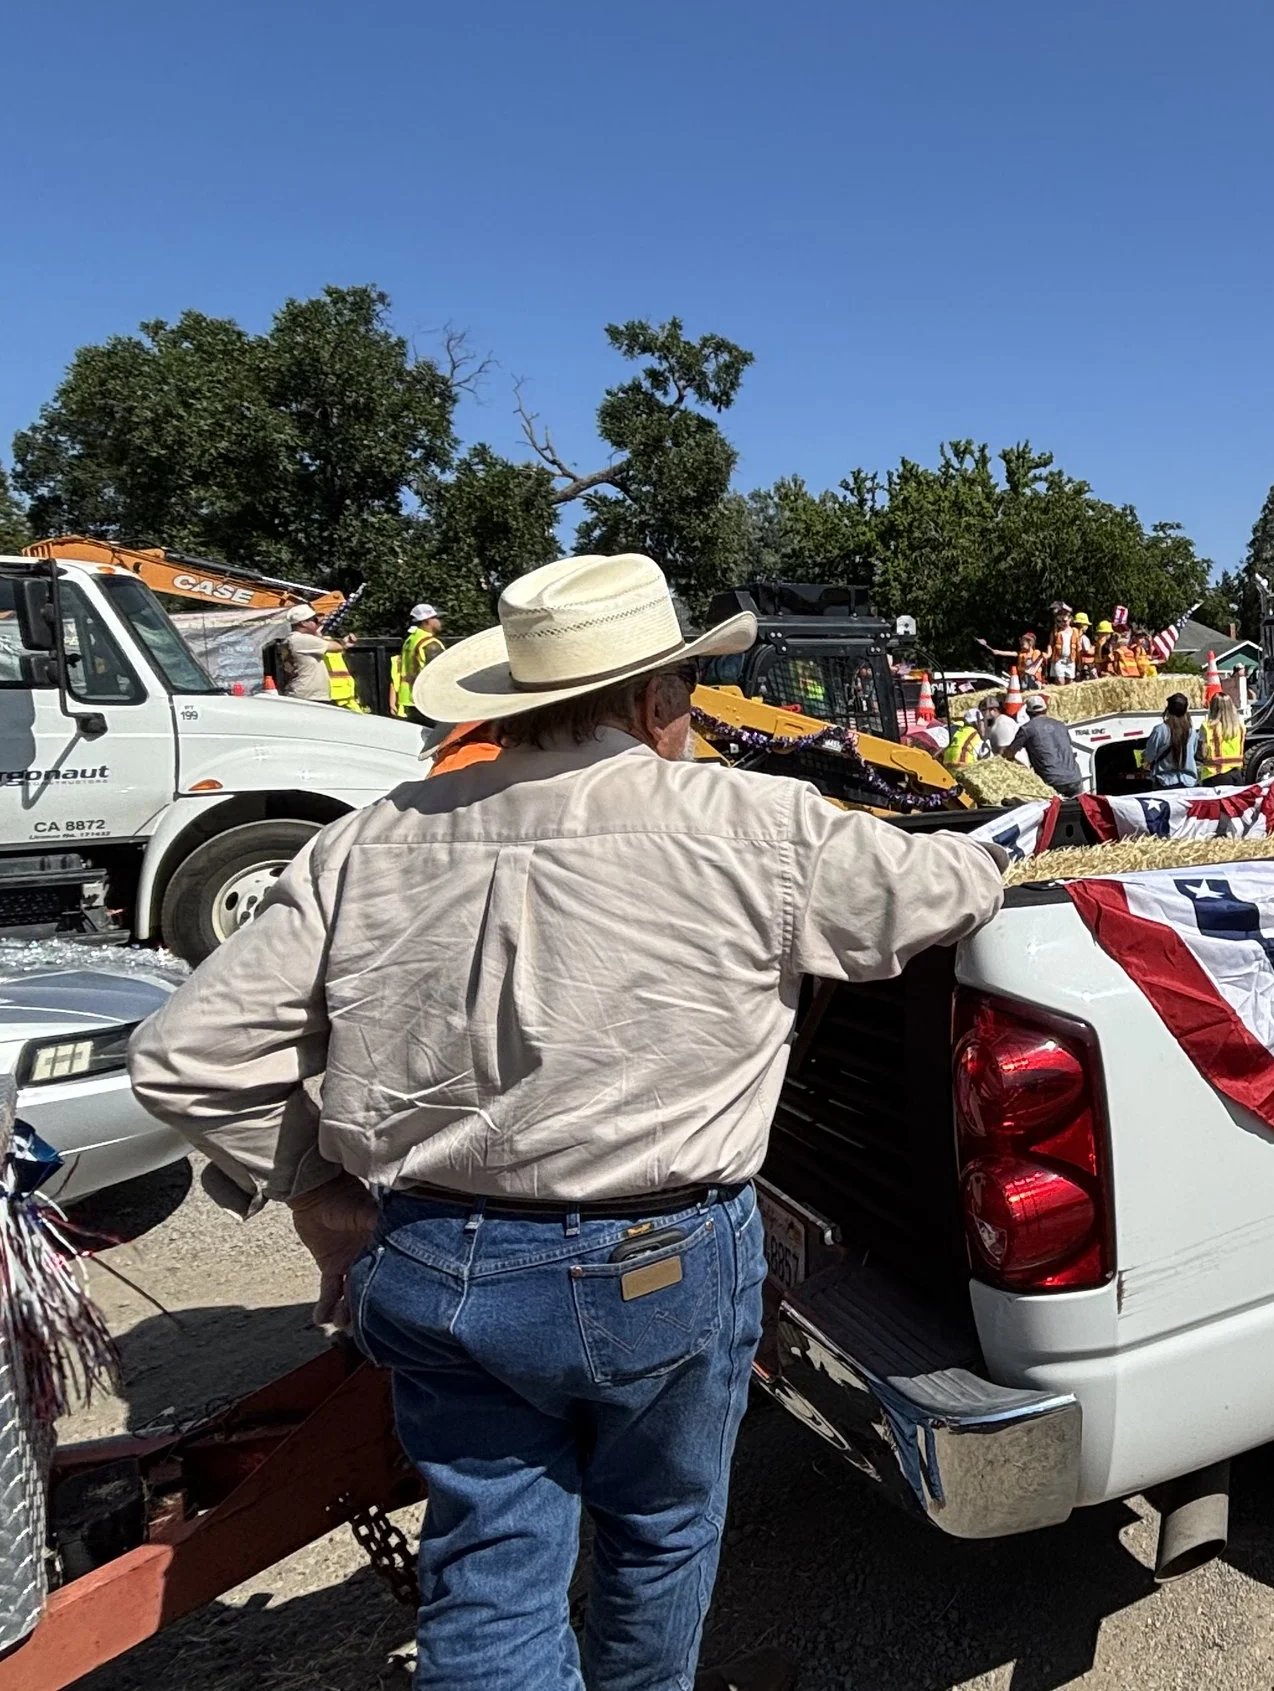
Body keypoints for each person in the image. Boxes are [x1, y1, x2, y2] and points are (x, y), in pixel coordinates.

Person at [128, 552, 1008, 1691]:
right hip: (660, 1261)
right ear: (655, 702)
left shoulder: (370, 839)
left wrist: (322, 1200)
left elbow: (187, 1056)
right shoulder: (757, 824)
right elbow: (952, 887)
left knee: (488, 1567)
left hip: (433, 1256)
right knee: (659, 1534)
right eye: (685, 696)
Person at [1008, 689, 1086, 796]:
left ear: (1027, 712)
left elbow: (1009, 753)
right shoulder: (1061, 725)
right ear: (1045, 709)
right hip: (1075, 778)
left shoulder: (1027, 729)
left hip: (1052, 781)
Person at [394, 601, 447, 721]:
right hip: (427, 700)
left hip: (410, 698)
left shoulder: (410, 640)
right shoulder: (430, 644)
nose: (440, 621)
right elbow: (440, 674)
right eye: (436, 618)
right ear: (426, 621)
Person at [279, 603, 335, 701]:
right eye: (314, 620)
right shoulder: (303, 640)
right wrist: (319, 635)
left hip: (301, 693)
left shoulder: (291, 639)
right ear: (304, 623)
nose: (317, 624)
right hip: (309, 696)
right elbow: (337, 647)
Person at [1141, 695, 1199, 789]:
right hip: (1189, 783)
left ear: (1168, 709)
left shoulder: (1160, 730)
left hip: (1165, 782)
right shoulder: (1191, 732)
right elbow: (1193, 752)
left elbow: (1149, 756)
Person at [1198, 689, 1246, 783]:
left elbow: (1203, 753)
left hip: (1215, 776)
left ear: (1213, 707)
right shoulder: (1240, 727)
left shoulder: (1208, 727)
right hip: (1236, 776)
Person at [1047, 603, 1085, 684]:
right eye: (1059, 621)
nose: (1062, 623)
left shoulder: (1075, 631)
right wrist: (1048, 654)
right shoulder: (1056, 632)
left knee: (1069, 681)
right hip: (1059, 659)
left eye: (1064, 621)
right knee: (1060, 681)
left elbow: (1078, 647)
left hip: (1071, 659)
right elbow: (1050, 644)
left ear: (1070, 619)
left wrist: (1079, 661)